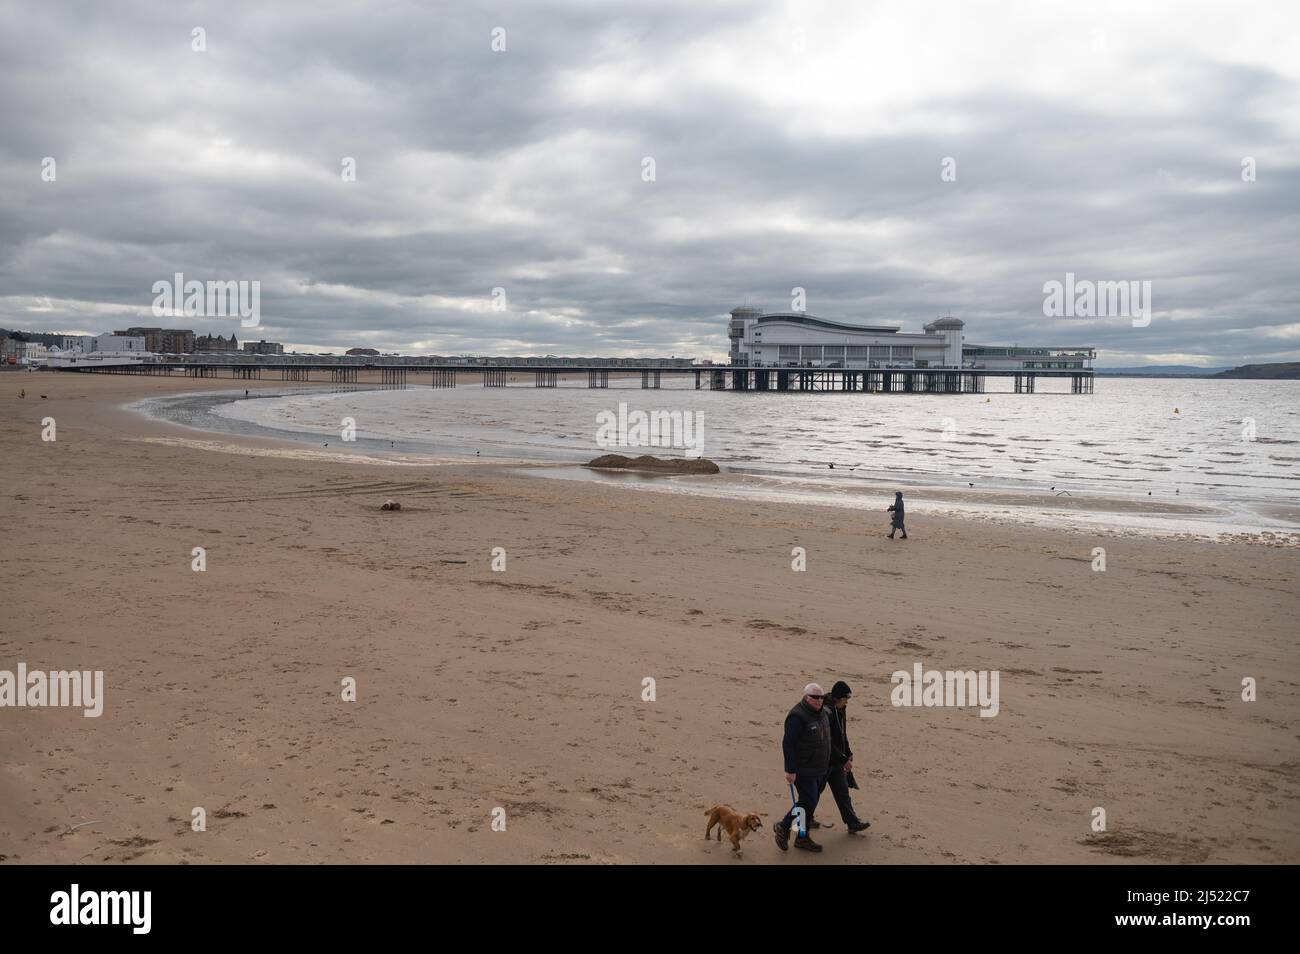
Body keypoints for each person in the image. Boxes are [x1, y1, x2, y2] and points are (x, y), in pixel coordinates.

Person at [774, 682, 831, 854]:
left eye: (821, 697)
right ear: (806, 697)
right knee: (808, 801)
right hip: (803, 769)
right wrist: (790, 770)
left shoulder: (823, 714)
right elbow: (788, 744)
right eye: (815, 697)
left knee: (810, 803)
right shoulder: (797, 717)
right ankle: (784, 826)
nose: (819, 700)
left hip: (820, 768)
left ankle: (801, 837)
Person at [818, 681, 870, 834]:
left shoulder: (840, 709)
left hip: (836, 762)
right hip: (824, 762)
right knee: (812, 796)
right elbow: (828, 743)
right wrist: (843, 759)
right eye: (846, 699)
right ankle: (790, 823)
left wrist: (848, 752)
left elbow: (842, 734)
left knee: (842, 794)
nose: (847, 702)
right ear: (838, 698)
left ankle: (852, 823)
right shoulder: (827, 713)